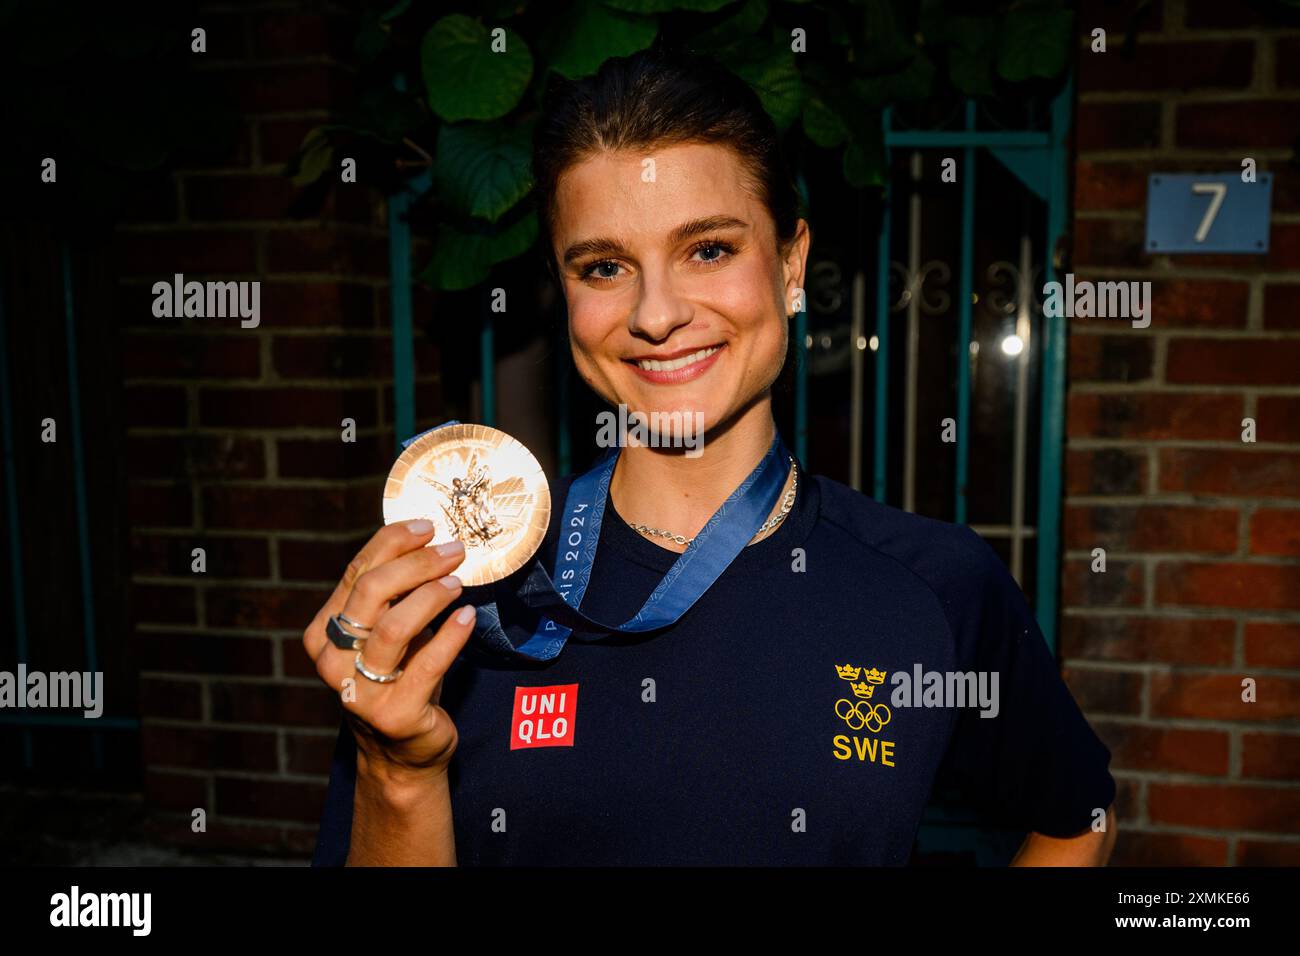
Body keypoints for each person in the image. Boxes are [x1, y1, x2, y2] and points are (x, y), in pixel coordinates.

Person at [303, 47, 1117, 866]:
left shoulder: (936, 584)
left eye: (710, 250)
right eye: (606, 266)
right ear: (563, 291)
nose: (656, 315)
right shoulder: (462, 597)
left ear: (791, 263)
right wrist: (396, 772)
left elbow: (1075, 817)